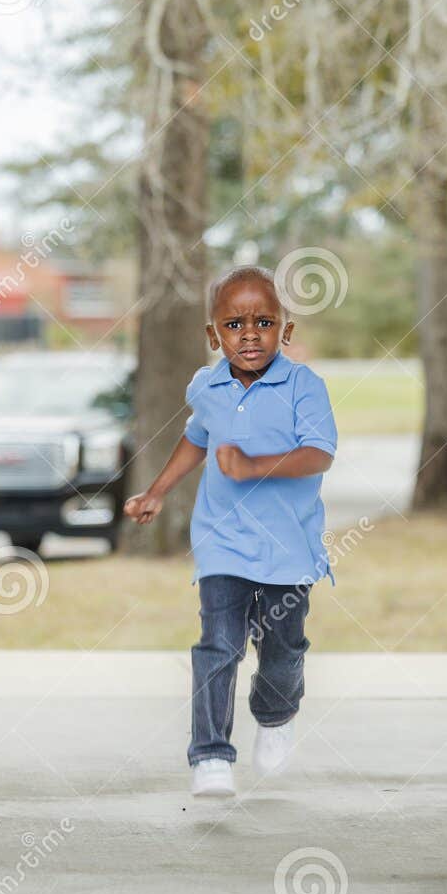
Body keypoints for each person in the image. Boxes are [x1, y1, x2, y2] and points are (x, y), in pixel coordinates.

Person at [122, 265, 338, 798]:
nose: (249, 335)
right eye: (234, 324)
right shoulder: (207, 386)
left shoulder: (304, 386)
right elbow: (197, 438)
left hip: (288, 548)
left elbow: (319, 453)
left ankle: (276, 714)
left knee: (283, 649)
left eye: (264, 322)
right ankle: (211, 755)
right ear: (213, 334)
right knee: (218, 645)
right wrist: (157, 491)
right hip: (223, 542)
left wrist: (254, 465)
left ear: (285, 329)